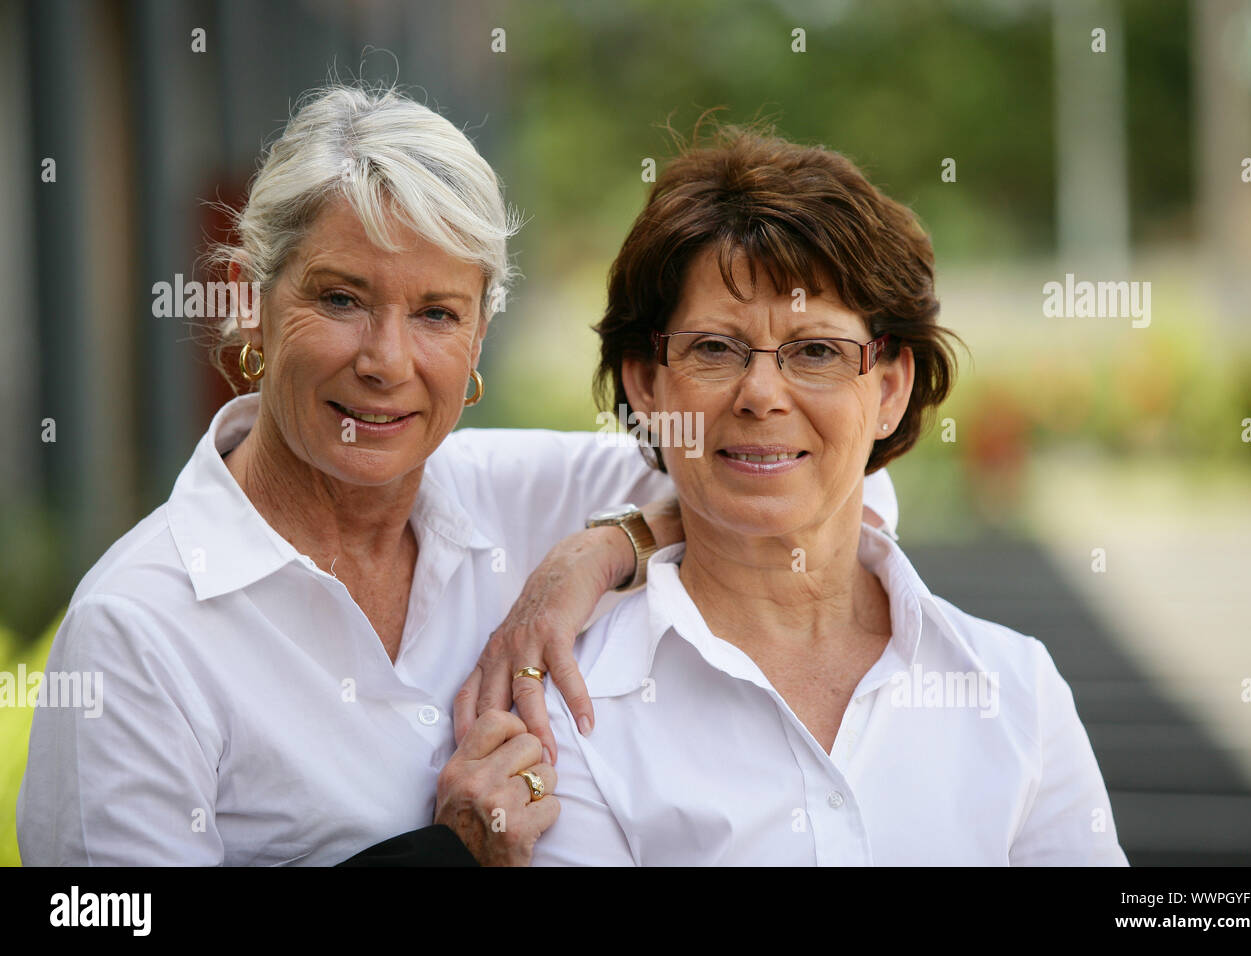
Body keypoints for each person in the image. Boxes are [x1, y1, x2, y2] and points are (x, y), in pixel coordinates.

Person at [16, 85, 900, 866]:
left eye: (436, 312)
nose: (386, 360)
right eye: (340, 299)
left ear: (479, 339)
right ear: (251, 300)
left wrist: (600, 551)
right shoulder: (138, 628)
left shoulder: (521, 495)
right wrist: (445, 858)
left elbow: (822, 492)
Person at [531, 123, 1129, 866]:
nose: (761, 395)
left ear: (889, 387)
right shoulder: (566, 712)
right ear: (645, 384)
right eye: (715, 348)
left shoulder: (1016, 689)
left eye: (815, 351)